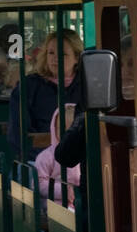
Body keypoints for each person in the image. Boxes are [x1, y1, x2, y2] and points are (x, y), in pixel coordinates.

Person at [8, 29, 83, 160]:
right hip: (37, 161)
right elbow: (17, 134)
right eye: (51, 53)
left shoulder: (86, 86)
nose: (55, 59)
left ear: (77, 57)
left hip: (78, 162)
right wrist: (46, 160)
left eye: (63, 54)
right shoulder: (28, 86)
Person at [34, 106, 80, 211]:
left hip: (80, 201)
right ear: (54, 128)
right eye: (62, 129)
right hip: (56, 204)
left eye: (71, 130)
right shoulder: (46, 157)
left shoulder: (84, 155)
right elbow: (39, 183)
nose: (67, 134)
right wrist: (63, 191)